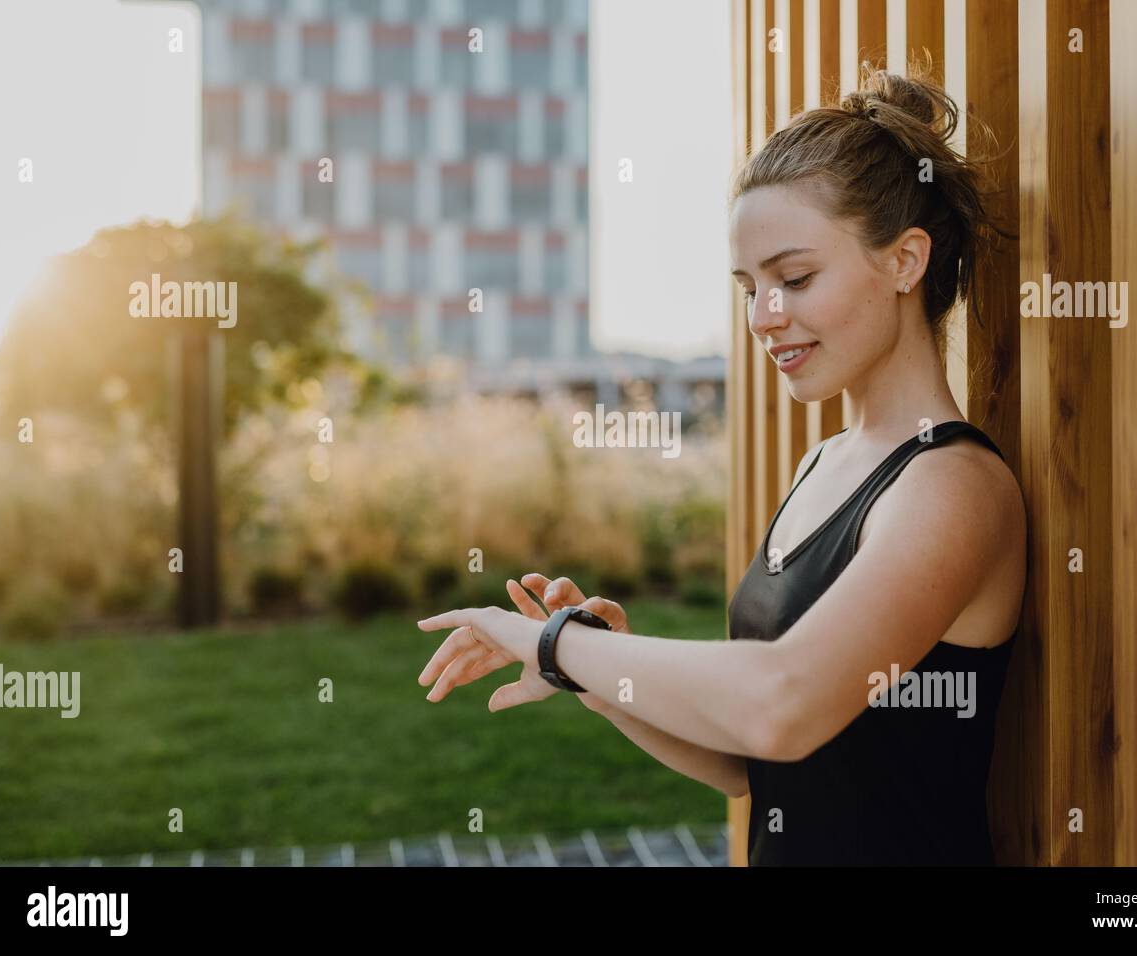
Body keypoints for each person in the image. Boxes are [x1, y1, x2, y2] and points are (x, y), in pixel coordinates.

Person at [417, 61, 1027, 866]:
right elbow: (750, 762)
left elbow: (783, 703)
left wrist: (555, 643)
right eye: (749, 287)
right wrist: (599, 675)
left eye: (795, 278)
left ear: (904, 262)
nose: (765, 317)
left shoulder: (954, 487)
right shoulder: (824, 467)